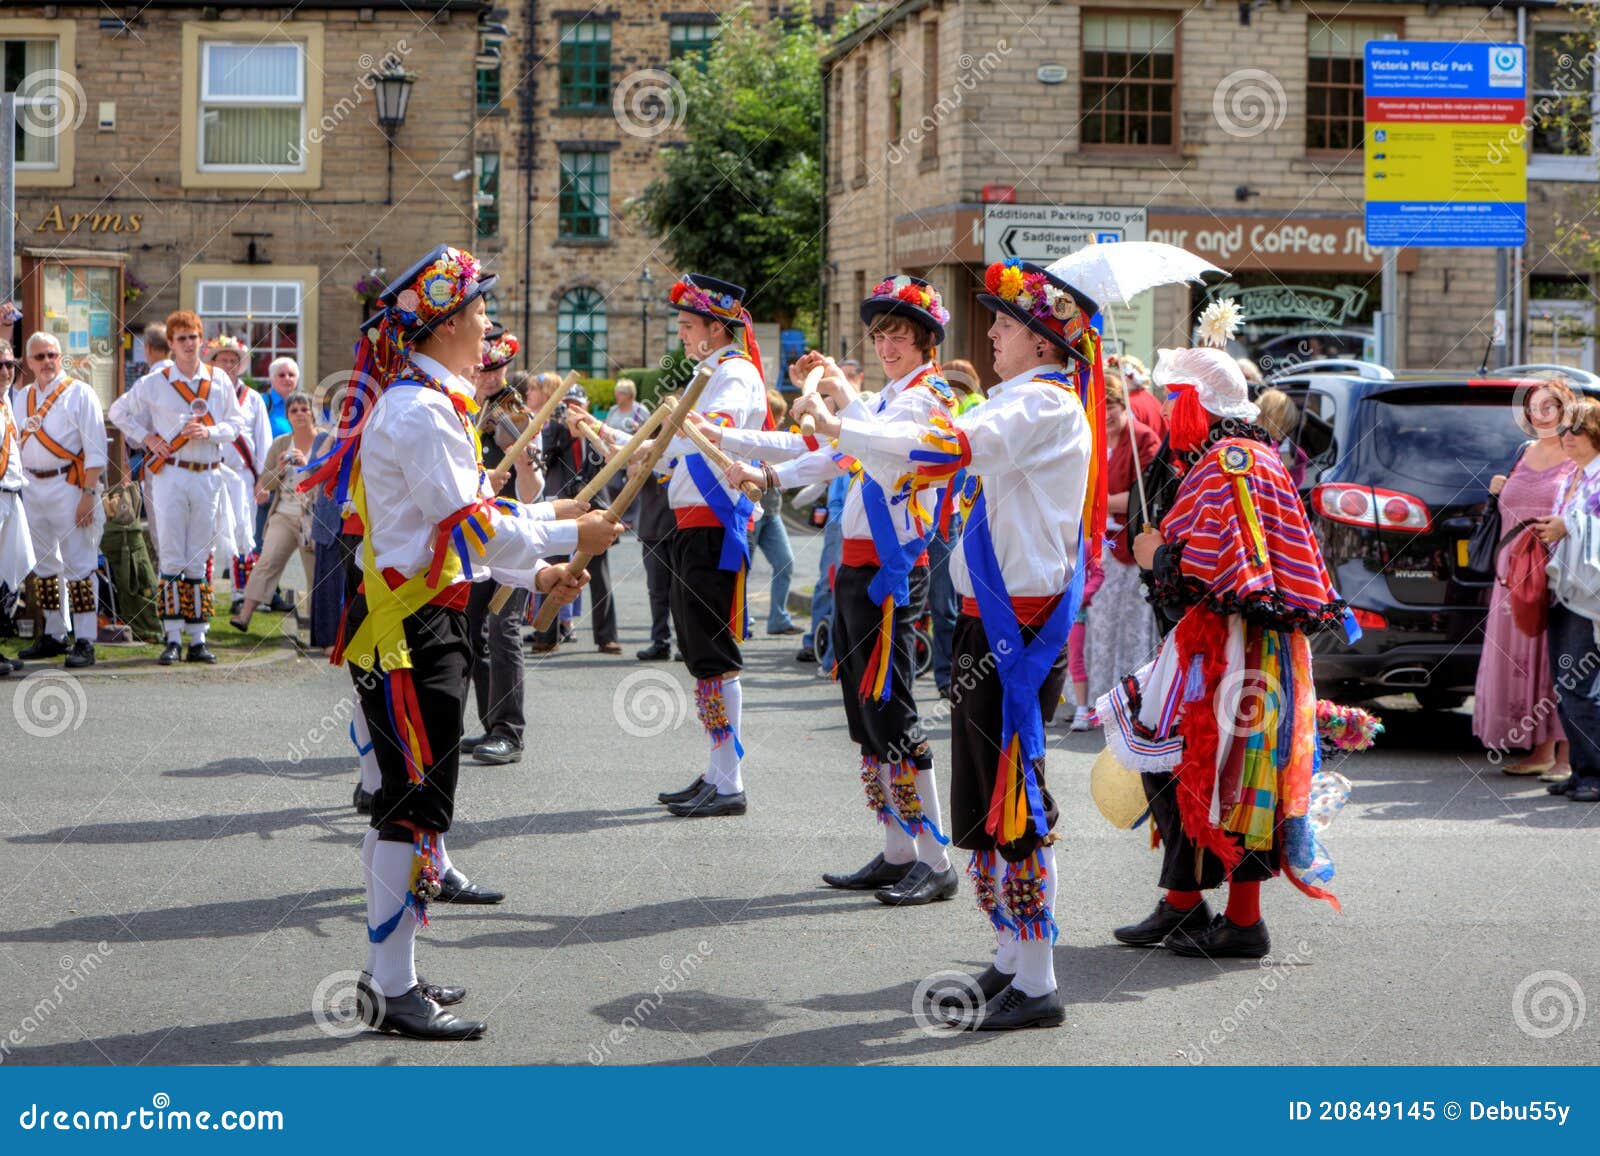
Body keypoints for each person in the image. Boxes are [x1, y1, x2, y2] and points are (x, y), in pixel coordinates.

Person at [305, 244, 618, 1041]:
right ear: (442, 327)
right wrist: (565, 532)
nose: (486, 324)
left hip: (428, 617)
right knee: (409, 807)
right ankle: (388, 988)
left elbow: (463, 528)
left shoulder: (432, 404)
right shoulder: (419, 411)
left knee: (417, 804)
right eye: (476, 312)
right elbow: (472, 523)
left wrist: (545, 571)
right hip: (410, 629)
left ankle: (394, 977)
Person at [795, 259, 1104, 1029]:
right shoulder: (1030, 400)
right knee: (988, 795)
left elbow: (945, 444)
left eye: (1004, 322)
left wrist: (841, 423)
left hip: (1017, 627)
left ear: (1040, 340)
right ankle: (1011, 959)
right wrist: (848, 420)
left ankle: (1038, 980)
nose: (992, 333)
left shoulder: (1041, 405)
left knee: (1015, 800)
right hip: (992, 619)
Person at [1101, 299, 1351, 961]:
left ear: (1195, 403)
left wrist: (1159, 556)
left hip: (1240, 646)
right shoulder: (1235, 455)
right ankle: (1185, 902)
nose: (1163, 405)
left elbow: (1238, 572)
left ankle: (1240, 921)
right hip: (1222, 643)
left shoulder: (1233, 462)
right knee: (1183, 761)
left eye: (1172, 394)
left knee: (1232, 772)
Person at [714, 275, 959, 904]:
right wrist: (765, 470)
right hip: (855, 569)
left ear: (927, 340)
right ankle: (898, 848)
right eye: (879, 334)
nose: (886, 345)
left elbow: (879, 451)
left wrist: (834, 409)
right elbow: (833, 456)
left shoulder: (929, 400)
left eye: (899, 334)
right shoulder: (884, 399)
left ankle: (935, 858)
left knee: (894, 712)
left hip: (889, 571)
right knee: (865, 714)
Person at [652, 274, 769, 818]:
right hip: (690, 527)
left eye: (687, 325)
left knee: (715, 654)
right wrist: (643, 447)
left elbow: (713, 431)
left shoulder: (735, 373)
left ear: (715, 328)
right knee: (700, 654)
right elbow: (677, 451)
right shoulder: (708, 374)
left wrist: (673, 429)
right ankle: (719, 771)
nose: (680, 334)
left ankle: (730, 780)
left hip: (714, 527)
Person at [110, 312, 247, 664]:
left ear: (202, 340)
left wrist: (211, 432)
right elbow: (118, 412)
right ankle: (171, 636)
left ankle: (198, 637)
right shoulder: (156, 381)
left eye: (194, 337)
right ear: (170, 343)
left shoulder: (218, 380)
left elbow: (236, 423)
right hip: (170, 473)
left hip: (208, 472)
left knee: (199, 557)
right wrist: (147, 438)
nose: (188, 344)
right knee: (171, 553)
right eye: (181, 338)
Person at [1475, 379, 1574, 779]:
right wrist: (1498, 490)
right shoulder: (1523, 452)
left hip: (1553, 576)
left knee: (1557, 661)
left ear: (1567, 409)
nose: (1540, 413)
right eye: (1534, 406)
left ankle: (1568, 757)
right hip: (1510, 578)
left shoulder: (1578, 455)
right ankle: (1540, 750)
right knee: (1520, 660)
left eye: (1550, 405)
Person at [462, 329, 546, 765]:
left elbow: (532, 493)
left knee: (503, 628)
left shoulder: (520, 415)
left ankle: (509, 731)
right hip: (473, 537)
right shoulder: (463, 410)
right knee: (471, 629)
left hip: (512, 538)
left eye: (498, 369)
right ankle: (488, 723)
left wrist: (522, 454)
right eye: (484, 367)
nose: (491, 377)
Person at [12, 333, 108, 668]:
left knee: (80, 564)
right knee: (44, 566)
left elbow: (96, 450)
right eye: (40, 357)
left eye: (52, 354)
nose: (47, 361)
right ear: (29, 362)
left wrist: (88, 494)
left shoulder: (79, 393)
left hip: (69, 485)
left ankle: (85, 639)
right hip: (33, 487)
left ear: (61, 356)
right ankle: (54, 633)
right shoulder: (21, 397)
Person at [1083, 371, 1163, 720]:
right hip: (1098, 548)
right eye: (1103, 407)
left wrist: (1098, 501)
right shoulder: (1094, 438)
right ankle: (1098, 700)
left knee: (1132, 626)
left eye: (1114, 405)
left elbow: (1144, 497)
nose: (1109, 413)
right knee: (1099, 625)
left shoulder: (1143, 439)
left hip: (1131, 549)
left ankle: (1133, 702)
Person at [1535, 396, 1600, 803]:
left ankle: (1594, 775)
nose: (1567, 436)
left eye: (1576, 429)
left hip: (1587, 596)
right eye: (1564, 429)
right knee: (1566, 685)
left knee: (1580, 685)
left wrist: (1568, 525)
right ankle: (1581, 770)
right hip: (1565, 593)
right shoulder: (1575, 475)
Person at [529, 382, 621, 655]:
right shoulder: (555, 432)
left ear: (587, 408)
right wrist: (561, 429)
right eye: (568, 406)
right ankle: (546, 635)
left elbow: (610, 458)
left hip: (595, 507)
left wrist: (588, 431)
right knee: (555, 568)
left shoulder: (595, 434)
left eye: (578, 406)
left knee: (600, 576)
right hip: (562, 507)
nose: (573, 412)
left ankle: (607, 637)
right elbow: (544, 459)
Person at [230, 391, 318, 631]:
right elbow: (265, 484)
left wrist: (307, 467)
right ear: (287, 416)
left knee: (315, 572)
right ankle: (244, 615)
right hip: (284, 514)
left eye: (304, 409)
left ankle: (315, 627)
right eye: (294, 410)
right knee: (267, 562)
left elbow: (332, 478)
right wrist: (279, 468)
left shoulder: (324, 440)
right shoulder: (281, 443)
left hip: (313, 517)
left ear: (313, 413)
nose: (299, 414)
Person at [204, 335, 272, 613]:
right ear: (214, 362)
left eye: (233, 360)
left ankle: (241, 593)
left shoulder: (252, 398)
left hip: (243, 475)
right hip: (210, 471)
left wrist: (263, 480)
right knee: (206, 532)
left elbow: (264, 440)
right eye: (223, 360)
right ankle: (202, 591)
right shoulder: (204, 393)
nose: (229, 365)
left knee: (244, 531)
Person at [748, 389, 799, 636]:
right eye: (776, 416)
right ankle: (740, 619)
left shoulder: (777, 440)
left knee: (785, 562)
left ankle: (778, 618)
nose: (779, 422)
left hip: (773, 513)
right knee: (741, 567)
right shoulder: (751, 439)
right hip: (752, 512)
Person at [0, 340, 36, 676]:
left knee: (9, 570)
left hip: (12, 493)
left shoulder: (7, 402)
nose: (5, 371)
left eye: (10, 364)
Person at [634, 390, 677, 661]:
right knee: (657, 590)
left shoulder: (689, 444)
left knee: (683, 591)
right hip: (652, 527)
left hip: (681, 526)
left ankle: (687, 643)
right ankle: (660, 641)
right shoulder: (646, 443)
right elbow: (630, 476)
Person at [796, 471, 847, 666]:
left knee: (837, 583)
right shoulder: (838, 448)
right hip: (838, 518)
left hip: (858, 519)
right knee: (829, 581)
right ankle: (813, 641)